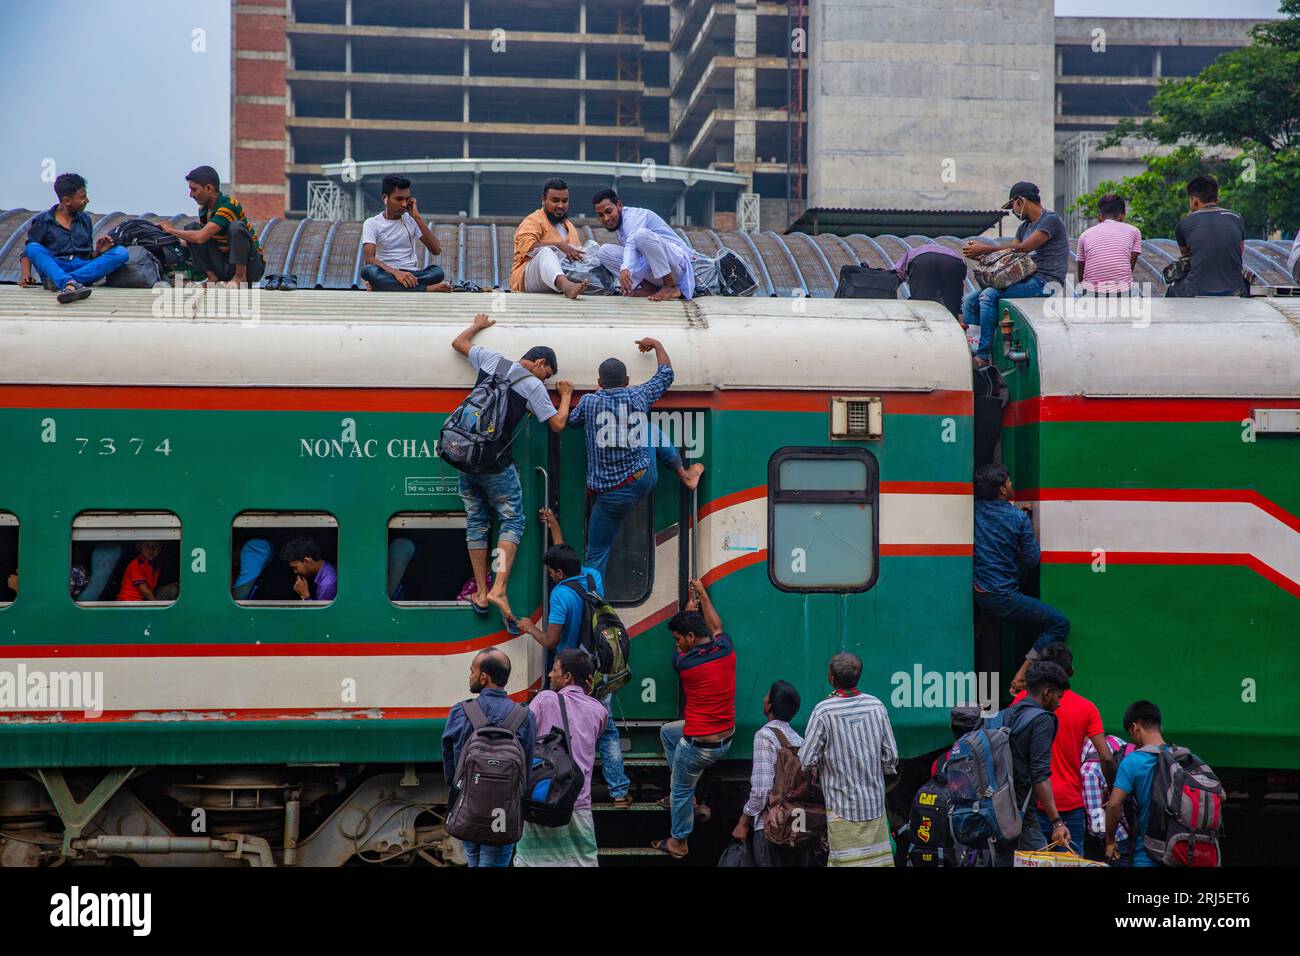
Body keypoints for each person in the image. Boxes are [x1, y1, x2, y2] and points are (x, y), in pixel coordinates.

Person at [451, 314, 573, 628]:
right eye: (547, 374)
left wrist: (478, 325)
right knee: (512, 520)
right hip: (493, 462)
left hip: (464, 454)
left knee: (477, 521)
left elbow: (458, 343)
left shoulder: (492, 360)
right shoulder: (533, 386)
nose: (545, 381)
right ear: (541, 362)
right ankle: (499, 589)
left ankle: (479, 591)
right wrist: (567, 397)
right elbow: (558, 424)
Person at [513, 509, 632, 808]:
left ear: (558, 574)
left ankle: (563, 785)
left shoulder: (559, 596)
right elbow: (569, 565)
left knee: (561, 730)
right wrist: (555, 528)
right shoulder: (592, 578)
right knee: (608, 731)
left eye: (552, 572)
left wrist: (529, 628)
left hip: (570, 670)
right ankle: (619, 792)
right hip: (597, 668)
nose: (550, 576)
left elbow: (551, 640)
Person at [567, 338, 674, 578]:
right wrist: (656, 345)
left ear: (599, 383)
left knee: (597, 551)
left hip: (611, 494)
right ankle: (684, 473)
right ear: (627, 381)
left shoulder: (589, 402)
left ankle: (593, 604)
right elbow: (666, 374)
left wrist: (567, 396)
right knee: (647, 428)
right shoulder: (639, 395)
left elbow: (571, 422)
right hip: (643, 479)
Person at [652, 578, 735, 859]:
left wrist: (690, 610)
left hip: (700, 745)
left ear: (688, 637)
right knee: (668, 732)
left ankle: (679, 842)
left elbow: (684, 649)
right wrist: (701, 596)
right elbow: (717, 627)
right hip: (725, 737)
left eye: (678, 638)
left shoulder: (685, 663)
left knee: (680, 789)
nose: (677, 644)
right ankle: (688, 800)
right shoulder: (725, 650)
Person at [972, 462, 1068, 695]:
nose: (1012, 484)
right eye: (1009, 481)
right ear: (1003, 490)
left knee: (985, 618)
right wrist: (1024, 526)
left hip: (981, 591)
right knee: (1059, 623)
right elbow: (1032, 559)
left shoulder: (974, 510)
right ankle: (1022, 674)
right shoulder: (1018, 519)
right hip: (1003, 596)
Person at [1011, 642, 1114, 853]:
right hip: (1069, 806)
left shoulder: (1020, 704)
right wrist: (1111, 788)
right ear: (1070, 672)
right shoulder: (1087, 708)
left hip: (1031, 806)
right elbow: (1106, 757)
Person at [799, 652, 898, 867]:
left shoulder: (823, 711)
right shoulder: (876, 706)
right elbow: (891, 756)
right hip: (874, 806)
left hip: (841, 807)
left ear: (831, 678)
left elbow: (806, 759)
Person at [513, 649, 609, 866]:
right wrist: (587, 694)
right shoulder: (599, 710)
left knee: (532, 861)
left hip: (543, 794)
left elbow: (525, 735)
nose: (549, 674)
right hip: (578, 801)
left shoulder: (545, 699)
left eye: (554, 670)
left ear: (567, 677)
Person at [441, 648, 536, 867]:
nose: (471, 676)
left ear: (484, 677)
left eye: (472, 671)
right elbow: (526, 771)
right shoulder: (525, 716)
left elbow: (449, 763)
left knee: (473, 859)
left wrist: (462, 789)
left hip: (468, 810)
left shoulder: (460, 711)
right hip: (503, 814)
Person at [961, 182, 1067, 366]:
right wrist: (983, 256)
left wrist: (985, 248)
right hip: (1025, 279)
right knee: (970, 300)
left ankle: (983, 356)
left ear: (1021, 201)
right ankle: (975, 347)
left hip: (1046, 282)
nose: (1014, 211)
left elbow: (1023, 248)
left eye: (1013, 206)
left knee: (987, 296)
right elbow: (1011, 256)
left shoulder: (1050, 220)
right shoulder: (1024, 227)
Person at [994, 660, 1071, 867]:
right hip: (1022, 818)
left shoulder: (1006, 715)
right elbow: (1040, 775)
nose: (1059, 703)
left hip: (996, 815)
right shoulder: (1043, 719)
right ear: (1047, 693)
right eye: (1058, 696)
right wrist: (1057, 821)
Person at [19, 172, 129, 303]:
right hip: (56, 266)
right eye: (83, 197)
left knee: (120, 252)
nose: (87, 200)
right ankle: (66, 281)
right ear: (67, 201)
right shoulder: (43, 220)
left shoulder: (85, 220)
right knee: (32, 248)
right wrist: (26, 274)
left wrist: (98, 252)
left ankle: (65, 282)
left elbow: (88, 258)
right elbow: (28, 252)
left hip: (81, 267)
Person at [732, 680, 807, 867]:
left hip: (770, 827)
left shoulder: (765, 736)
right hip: (798, 826)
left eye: (767, 695)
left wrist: (743, 822)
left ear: (770, 705)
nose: (763, 698)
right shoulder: (799, 740)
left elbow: (761, 790)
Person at [158, 165, 265, 286]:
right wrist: (168, 239)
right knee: (192, 228)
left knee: (236, 227)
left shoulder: (228, 206)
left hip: (251, 268)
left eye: (194, 190)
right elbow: (197, 239)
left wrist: (171, 229)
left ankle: (240, 278)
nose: (191, 195)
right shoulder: (204, 210)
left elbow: (201, 237)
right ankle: (212, 277)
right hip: (225, 265)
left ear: (208, 188)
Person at [592, 189, 695, 301]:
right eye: (601, 215)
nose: (606, 218)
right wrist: (626, 268)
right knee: (604, 251)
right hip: (656, 270)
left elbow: (632, 243)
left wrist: (625, 268)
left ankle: (670, 286)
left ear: (619, 205)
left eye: (608, 211)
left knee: (641, 235)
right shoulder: (619, 227)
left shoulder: (633, 217)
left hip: (677, 265)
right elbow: (633, 252)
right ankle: (650, 288)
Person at [1104, 699, 1169, 868]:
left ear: (1135, 727)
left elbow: (1113, 805)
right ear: (1159, 727)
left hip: (1148, 852)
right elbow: (1221, 794)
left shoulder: (1132, 760)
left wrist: (1110, 841)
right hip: (1180, 848)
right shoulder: (1185, 757)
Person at [359, 174, 449, 292]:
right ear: (385, 198)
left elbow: (436, 250)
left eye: (407, 199)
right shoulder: (372, 223)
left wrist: (417, 217)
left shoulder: (411, 220)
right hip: (387, 273)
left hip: (412, 274)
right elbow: (369, 259)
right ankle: (426, 289)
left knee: (437, 272)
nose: (404, 204)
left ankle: (383, 287)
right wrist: (396, 273)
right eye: (399, 199)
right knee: (369, 271)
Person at [510, 178, 589, 298]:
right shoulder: (533, 220)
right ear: (543, 199)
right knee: (546, 252)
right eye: (555, 201)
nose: (561, 206)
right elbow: (527, 248)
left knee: (595, 250)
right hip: (529, 279)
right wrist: (558, 245)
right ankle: (566, 286)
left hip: (560, 277)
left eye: (565, 201)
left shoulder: (569, 226)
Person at [1174, 175, 1246, 297]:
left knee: (1173, 288)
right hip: (1236, 289)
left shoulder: (1183, 224)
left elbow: (1187, 258)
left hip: (1196, 290)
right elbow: (1240, 251)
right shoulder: (1237, 218)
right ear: (1217, 199)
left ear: (1194, 200)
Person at [1075, 193, 1142, 294]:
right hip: (1122, 291)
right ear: (1122, 215)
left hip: (1092, 293)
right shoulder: (1134, 232)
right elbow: (1129, 268)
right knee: (1137, 292)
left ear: (1100, 216)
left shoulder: (1084, 235)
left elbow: (1081, 272)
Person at [1083, 733, 1131, 863]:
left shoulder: (1089, 770)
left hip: (1117, 841)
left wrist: (1107, 839)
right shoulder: (1116, 741)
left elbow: (1097, 824)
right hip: (1137, 829)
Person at [894, 242, 967, 318]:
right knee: (952, 303)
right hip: (953, 262)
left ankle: (922, 323)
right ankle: (954, 322)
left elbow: (898, 271)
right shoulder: (949, 251)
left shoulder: (912, 252)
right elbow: (961, 275)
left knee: (920, 301)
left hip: (923, 261)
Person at [279, 536, 337, 602]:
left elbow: (320, 612)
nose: (295, 572)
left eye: (295, 567)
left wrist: (305, 596)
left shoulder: (327, 585)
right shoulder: (324, 569)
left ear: (307, 561)